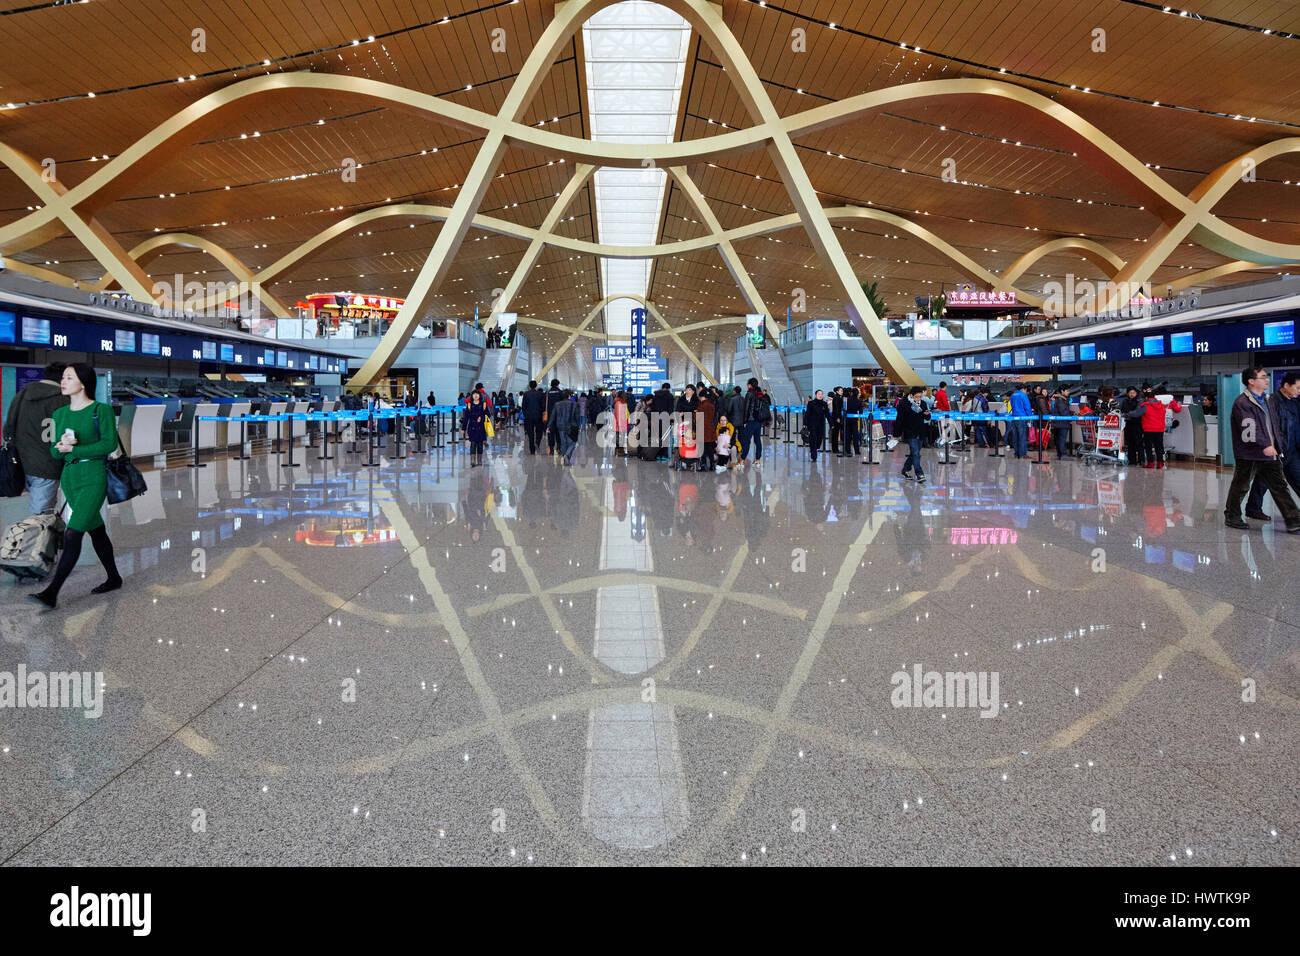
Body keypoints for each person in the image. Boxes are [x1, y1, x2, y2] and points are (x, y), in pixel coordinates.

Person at [28, 364, 122, 610]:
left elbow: (109, 444)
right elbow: (53, 451)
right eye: (63, 377)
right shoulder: (59, 414)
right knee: (97, 531)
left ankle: (52, 592)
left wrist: (75, 449)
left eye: (69, 377)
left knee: (73, 532)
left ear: (83, 383)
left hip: (93, 477)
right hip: (70, 479)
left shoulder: (101, 410)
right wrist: (61, 447)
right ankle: (114, 577)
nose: (63, 381)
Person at [1225, 366, 1300, 532]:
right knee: (1241, 485)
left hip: (1269, 454)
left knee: (1279, 486)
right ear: (1251, 381)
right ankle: (1232, 515)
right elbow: (1249, 428)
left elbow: (1274, 426)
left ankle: (1294, 520)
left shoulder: (1267, 399)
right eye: (1263, 377)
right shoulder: (1242, 403)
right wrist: (1264, 445)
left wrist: (1277, 445)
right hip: (1249, 453)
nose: (1267, 380)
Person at [3, 362, 68, 515]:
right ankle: (34, 538)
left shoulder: (23, 394)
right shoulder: (62, 399)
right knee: (41, 516)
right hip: (46, 465)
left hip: (20, 462)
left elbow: (8, 428)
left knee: (39, 509)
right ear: (62, 379)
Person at [1245, 372, 1300, 520]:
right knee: (1264, 481)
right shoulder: (1272, 402)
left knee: (1297, 478)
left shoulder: (1295, 402)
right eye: (1297, 388)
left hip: (1292, 450)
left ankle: (1253, 507)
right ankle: (1253, 508)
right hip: (1277, 449)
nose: (1299, 391)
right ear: (1286, 385)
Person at [1134, 387, 1181, 469]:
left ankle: (1150, 463)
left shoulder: (1145, 405)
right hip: (1159, 429)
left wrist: (1126, 414)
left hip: (1149, 429)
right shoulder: (1161, 405)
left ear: (1146, 398)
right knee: (1159, 447)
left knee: (1148, 447)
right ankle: (1160, 463)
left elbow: (1136, 414)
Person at [895, 386, 929, 483]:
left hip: (920, 431)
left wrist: (927, 414)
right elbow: (899, 420)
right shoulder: (903, 404)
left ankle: (905, 469)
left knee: (914, 453)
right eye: (917, 397)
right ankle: (919, 474)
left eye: (920, 397)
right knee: (915, 453)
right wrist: (896, 434)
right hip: (910, 432)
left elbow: (926, 417)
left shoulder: (923, 403)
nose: (918, 399)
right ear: (911, 395)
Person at [737, 378, 770, 468]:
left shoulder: (749, 394)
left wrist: (745, 421)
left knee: (746, 440)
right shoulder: (760, 393)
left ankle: (742, 459)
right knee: (757, 440)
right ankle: (758, 460)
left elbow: (746, 409)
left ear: (750, 385)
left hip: (751, 421)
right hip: (758, 421)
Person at [461, 390, 489, 467]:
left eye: (477, 394)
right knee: (473, 444)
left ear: (479, 396)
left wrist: (482, 417)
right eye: (474, 394)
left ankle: (479, 459)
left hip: (481, 428)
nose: (475, 395)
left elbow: (488, 415)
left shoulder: (483, 405)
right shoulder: (469, 405)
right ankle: (472, 460)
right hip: (472, 428)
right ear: (472, 396)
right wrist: (463, 428)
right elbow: (466, 418)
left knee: (480, 444)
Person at [553, 390, 579, 464]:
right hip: (571, 425)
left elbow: (553, 416)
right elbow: (577, 416)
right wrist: (579, 425)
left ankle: (565, 458)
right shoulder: (574, 404)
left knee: (563, 442)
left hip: (560, 425)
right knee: (573, 442)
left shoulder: (557, 404)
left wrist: (549, 426)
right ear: (569, 396)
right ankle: (567, 454)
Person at [1120, 386, 1145, 466]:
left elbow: (1138, 412)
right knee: (1130, 443)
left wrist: (1127, 414)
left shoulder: (1140, 400)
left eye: (1133, 393)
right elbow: (1120, 409)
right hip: (1128, 424)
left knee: (1138, 442)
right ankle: (1132, 460)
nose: (1132, 394)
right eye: (1130, 393)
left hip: (1137, 424)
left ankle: (1141, 460)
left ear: (1136, 393)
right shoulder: (1124, 401)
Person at [804, 389, 830, 462]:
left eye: (821, 394)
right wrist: (805, 423)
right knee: (813, 439)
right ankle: (813, 454)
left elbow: (827, 414)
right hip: (812, 424)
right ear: (816, 395)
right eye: (819, 394)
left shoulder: (824, 404)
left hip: (821, 424)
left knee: (819, 440)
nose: (820, 395)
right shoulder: (811, 403)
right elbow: (807, 414)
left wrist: (831, 424)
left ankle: (815, 448)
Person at [521, 380, 546, 454]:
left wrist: (526, 414)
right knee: (539, 431)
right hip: (538, 416)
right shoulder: (541, 394)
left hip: (529, 416)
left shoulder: (526, 394)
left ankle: (532, 450)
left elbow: (523, 406)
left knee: (530, 433)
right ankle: (537, 442)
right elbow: (543, 406)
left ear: (529, 386)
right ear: (536, 386)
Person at [1008, 384, 1032, 458]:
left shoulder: (1012, 395)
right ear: (1024, 389)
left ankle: (1017, 453)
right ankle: (1023, 454)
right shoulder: (1023, 395)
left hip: (1014, 417)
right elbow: (1027, 407)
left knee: (1015, 436)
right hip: (1022, 417)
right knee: (1022, 436)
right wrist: (1030, 417)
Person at [1051, 386, 1073, 459]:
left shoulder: (1059, 399)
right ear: (1062, 391)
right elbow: (1063, 411)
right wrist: (1071, 416)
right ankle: (1063, 454)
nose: (1068, 392)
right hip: (1062, 423)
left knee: (1058, 439)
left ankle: (1059, 454)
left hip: (1057, 423)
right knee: (1061, 439)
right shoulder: (1061, 400)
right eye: (1067, 391)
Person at [697, 388, 716, 470]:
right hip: (710, 429)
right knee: (710, 448)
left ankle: (703, 465)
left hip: (703, 429)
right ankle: (712, 465)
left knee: (703, 449)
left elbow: (699, 417)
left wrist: (694, 413)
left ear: (702, 397)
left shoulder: (702, 406)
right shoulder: (712, 405)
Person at [842, 384, 862, 458]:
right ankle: (857, 451)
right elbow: (861, 411)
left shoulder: (847, 400)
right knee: (855, 435)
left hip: (847, 419)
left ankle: (848, 450)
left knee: (847, 435)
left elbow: (844, 409)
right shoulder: (858, 401)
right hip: (854, 420)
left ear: (851, 393)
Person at [544, 379, 563, 455]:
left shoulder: (547, 393)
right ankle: (559, 448)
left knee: (550, 432)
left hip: (549, 416)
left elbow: (543, 404)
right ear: (557, 384)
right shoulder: (561, 393)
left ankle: (551, 449)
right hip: (559, 416)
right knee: (559, 432)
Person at [613, 391, 630, 456]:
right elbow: (618, 415)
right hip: (619, 424)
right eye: (624, 395)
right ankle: (618, 451)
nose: (626, 396)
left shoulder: (622, 402)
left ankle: (620, 450)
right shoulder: (618, 403)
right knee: (619, 437)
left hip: (622, 423)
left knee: (621, 437)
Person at [829, 386, 844, 455]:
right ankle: (835, 449)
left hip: (835, 417)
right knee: (835, 433)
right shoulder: (837, 398)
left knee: (835, 433)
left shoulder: (836, 398)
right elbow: (837, 409)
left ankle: (835, 448)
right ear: (837, 391)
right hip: (836, 417)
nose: (842, 392)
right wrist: (838, 417)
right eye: (841, 390)